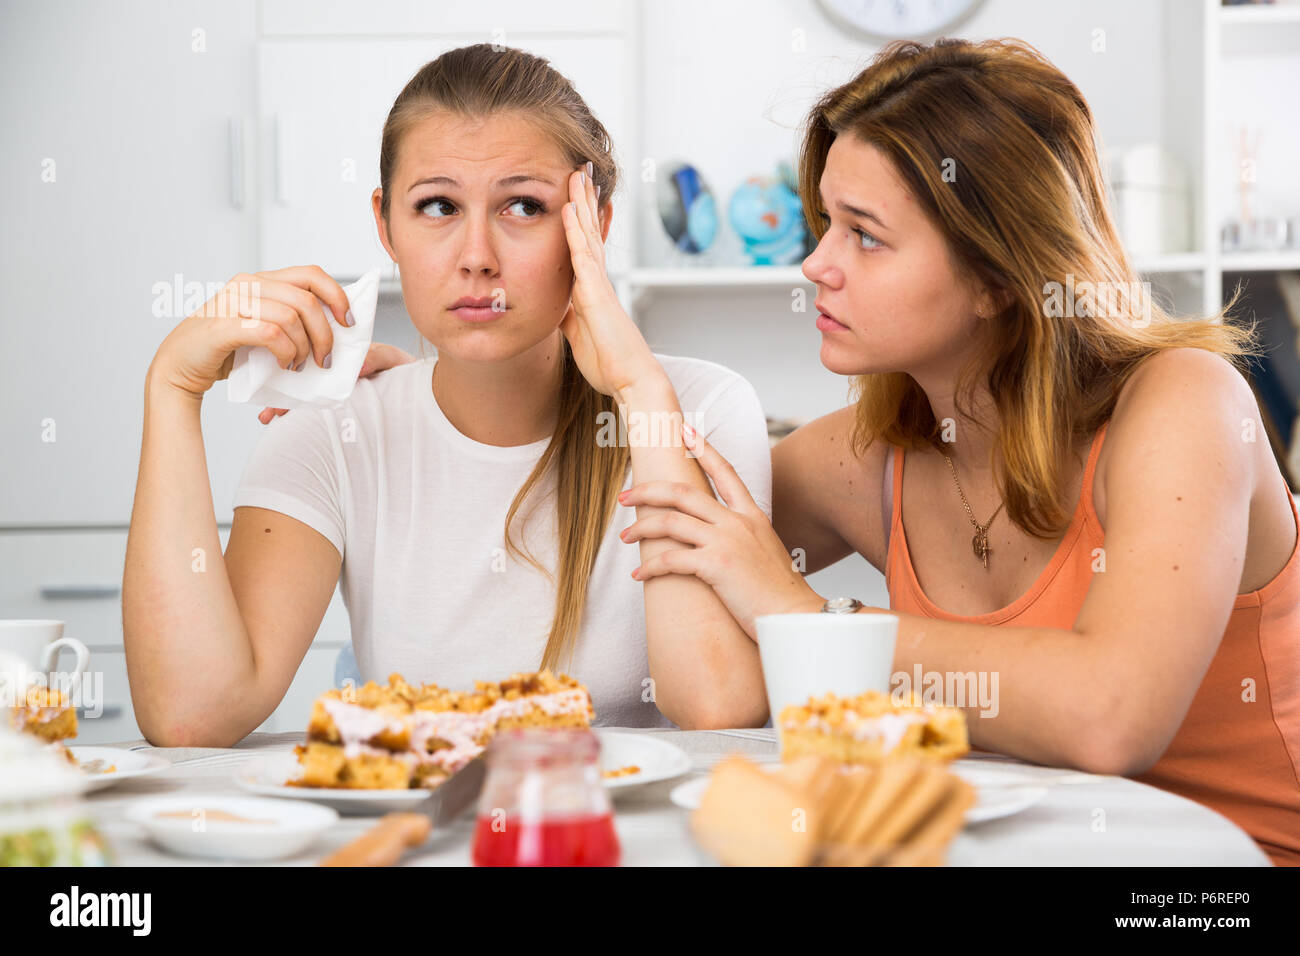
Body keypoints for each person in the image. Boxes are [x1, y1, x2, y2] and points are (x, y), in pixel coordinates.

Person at [123, 44, 773, 745]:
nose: (476, 256)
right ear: (385, 226)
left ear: (594, 225)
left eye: (523, 205)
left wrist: (641, 395)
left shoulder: (697, 409)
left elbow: (716, 709)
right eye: (437, 206)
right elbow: (192, 714)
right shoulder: (331, 433)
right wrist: (172, 387)